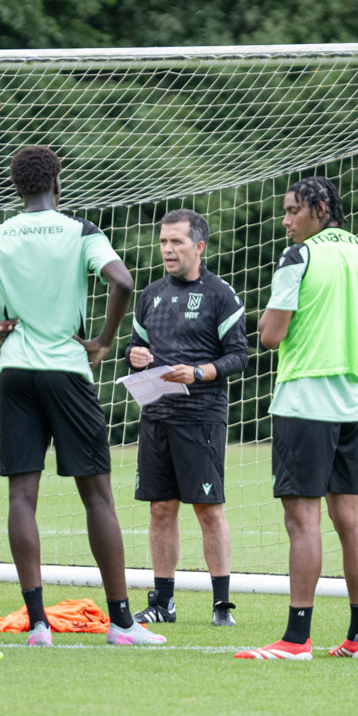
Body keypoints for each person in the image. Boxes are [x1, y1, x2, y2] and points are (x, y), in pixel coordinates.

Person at [0, 145, 163, 647]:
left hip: (15, 373)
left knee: (21, 495)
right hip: (66, 370)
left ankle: (38, 625)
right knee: (96, 495)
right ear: (57, 183)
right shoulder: (81, 232)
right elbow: (121, 280)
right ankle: (122, 623)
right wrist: (103, 339)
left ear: (17, 187)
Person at [236, 177, 358, 661]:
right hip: (350, 403)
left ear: (320, 208)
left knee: (303, 522)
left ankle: (297, 639)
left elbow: (272, 335)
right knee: (352, 521)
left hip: (303, 401)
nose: (285, 221)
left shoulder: (299, 257)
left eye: (292, 211)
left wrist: (261, 323)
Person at [126, 209, 248, 627]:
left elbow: (239, 355)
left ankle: (221, 605)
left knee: (207, 508)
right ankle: (163, 602)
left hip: (200, 417)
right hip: (156, 414)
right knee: (161, 508)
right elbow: (134, 346)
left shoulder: (220, 295)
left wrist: (199, 372)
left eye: (176, 241)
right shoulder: (151, 293)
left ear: (198, 246)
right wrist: (134, 356)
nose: (167, 249)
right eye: (163, 241)